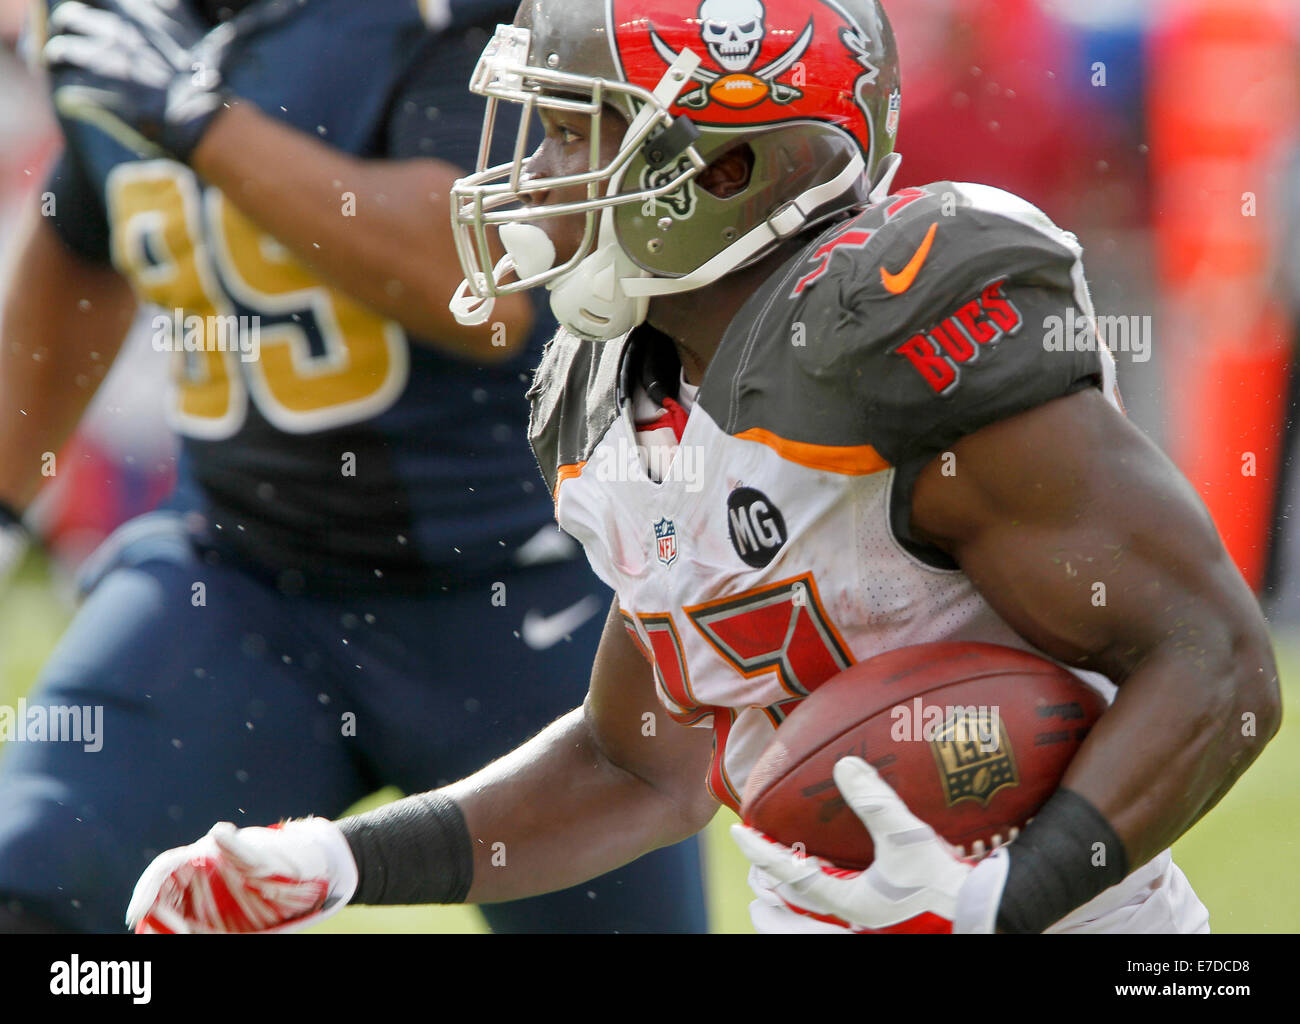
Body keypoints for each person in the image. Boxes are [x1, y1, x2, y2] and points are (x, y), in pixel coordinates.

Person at [128, 0, 1280, 935]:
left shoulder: (900, 340)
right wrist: (336, 862)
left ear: (724, 168)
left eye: (579, 130)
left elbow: (1218, 663)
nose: (534, 171)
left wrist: (998, 903)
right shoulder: (613, 400)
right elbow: (638, 766)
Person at [0, 0, 708, 934]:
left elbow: (480, 293)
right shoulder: (103, 19)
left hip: (524, 595)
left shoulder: (427, 19)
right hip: (250, 584)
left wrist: (201, 120)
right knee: (37, 897)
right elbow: (88, 233)